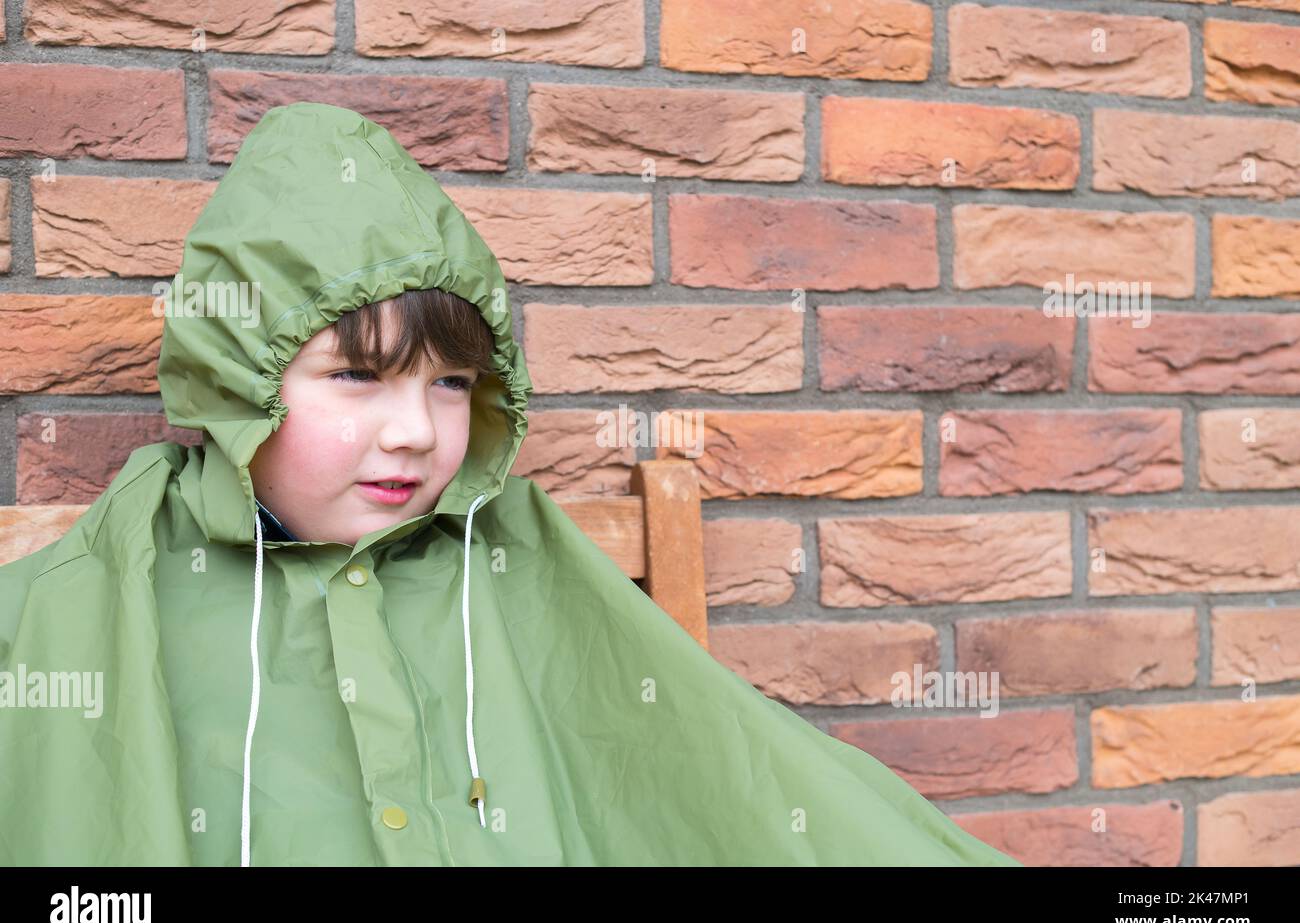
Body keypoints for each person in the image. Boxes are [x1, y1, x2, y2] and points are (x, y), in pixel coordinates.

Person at [0, 101, 1022, 866]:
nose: (413, 432)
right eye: (355, 375)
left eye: (450, 384)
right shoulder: (113, 586)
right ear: (239, 378)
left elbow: (739, 772)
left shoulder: (512, 549)